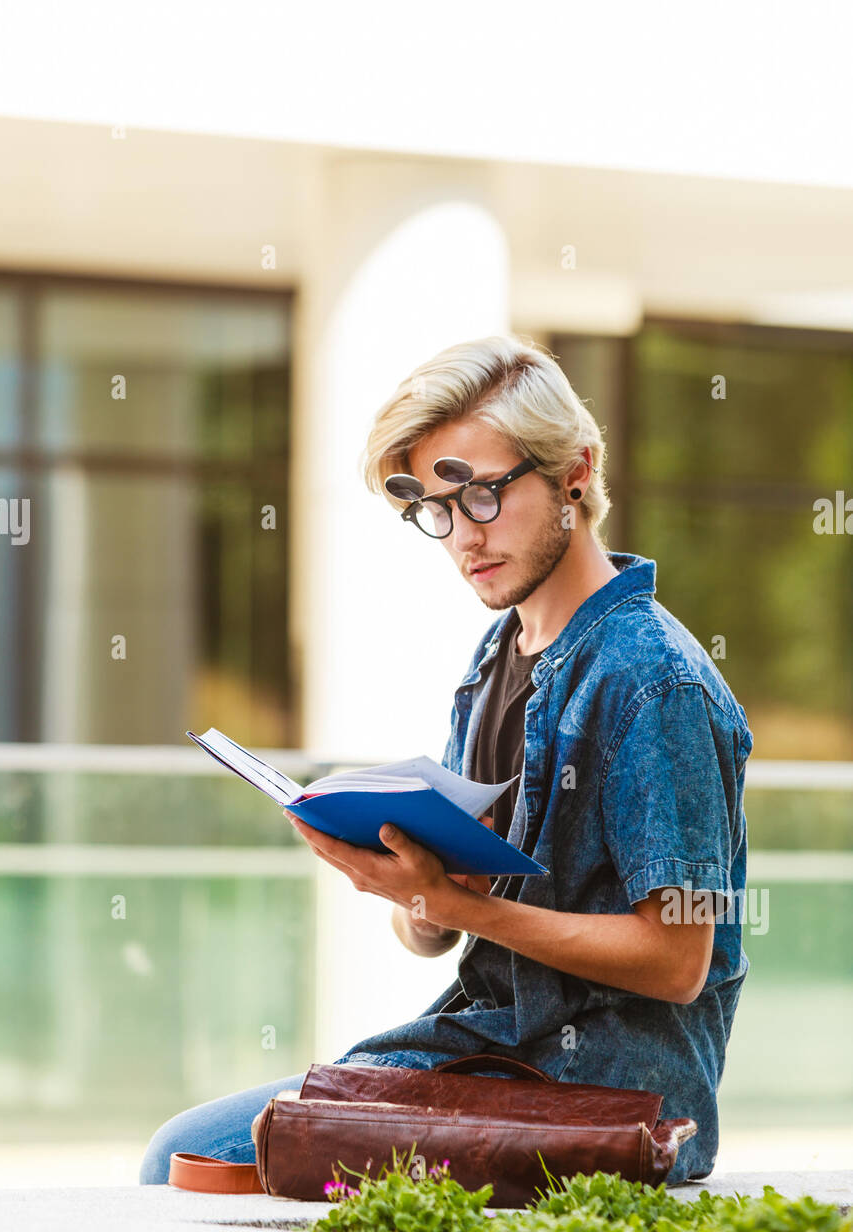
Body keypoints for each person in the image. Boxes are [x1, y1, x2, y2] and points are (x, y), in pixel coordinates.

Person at [140, 333, 751, 1186]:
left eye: (484, 496)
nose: (463, 537)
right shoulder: (497, 657)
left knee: (191, 1159)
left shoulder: (654, 680)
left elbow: (679, 960)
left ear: (575, 473)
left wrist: (453, 906)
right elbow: (430, 932)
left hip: (607, 1099)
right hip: (489, 1053)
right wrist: (416, 892)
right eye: (435, 510)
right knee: (197, 1155)